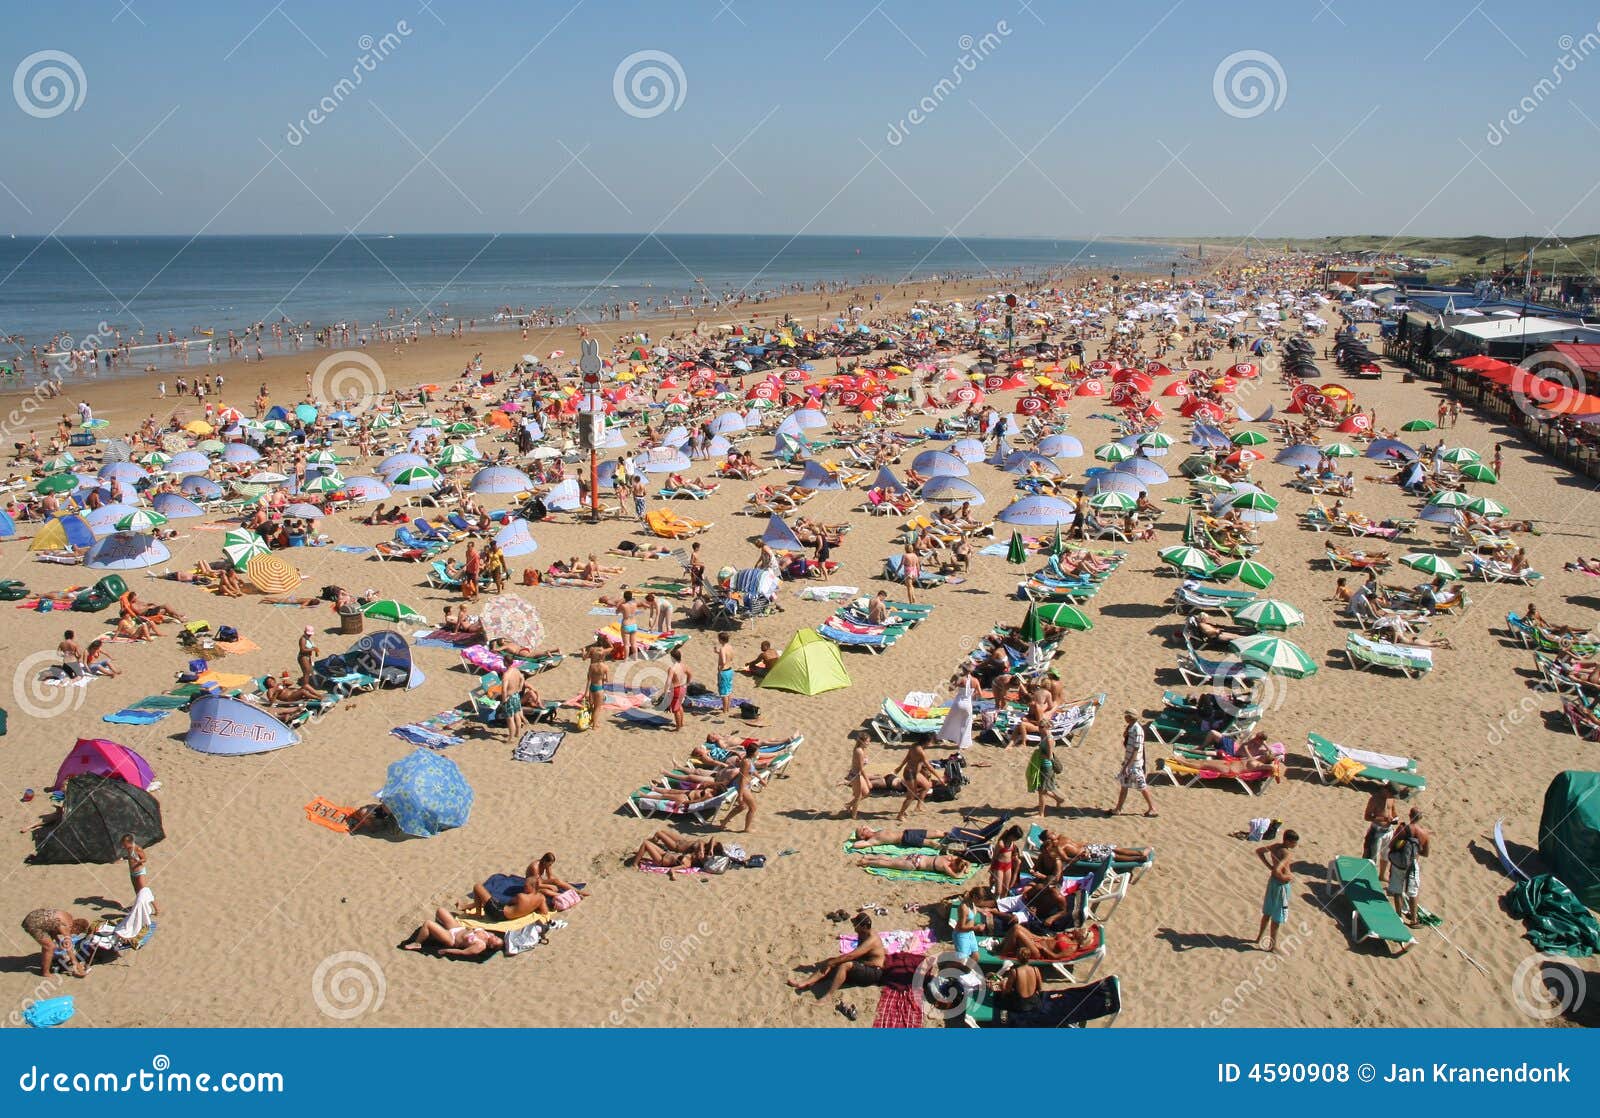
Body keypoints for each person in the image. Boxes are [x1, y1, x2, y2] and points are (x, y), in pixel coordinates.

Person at [787, 913, 885, 995]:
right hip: (864, 963)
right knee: (831, 961)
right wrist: (832, 961)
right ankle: (805, 982)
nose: (853, 925)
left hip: (873, 972)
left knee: (840, 964)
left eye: (856, 924)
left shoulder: (871, 939)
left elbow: (851, 955)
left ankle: (827, 995)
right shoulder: (862, 932)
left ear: (863, 927)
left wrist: (833, 962)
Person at [1255, 828, 1299, 952]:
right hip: (1281, 885)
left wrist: (1270, 866)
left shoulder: (1275, 847)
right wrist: (1287, 877)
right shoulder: (1287, 853)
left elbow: (1259, 851)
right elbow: (1277, 870)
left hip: (1272, 883)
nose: (1296, 845)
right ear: (1289, 842)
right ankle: (1272, 946)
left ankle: (1258, 938)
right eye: (1294, 842)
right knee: (1277, 917)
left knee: (1267, 912)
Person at [1386, 808, 1429, 926]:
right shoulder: (1424, 833)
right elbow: (1425, 853)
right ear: (1421, 818)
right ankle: (1414, 920)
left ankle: (1399, 916)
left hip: (1399, 862)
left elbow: (1391, 845)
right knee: (1413, 892)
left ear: (1409, 815)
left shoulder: (1402, 828)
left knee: (1397, 889)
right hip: (1413, 864)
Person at [400, 909, 503, 958]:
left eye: (496, 939)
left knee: (428, 923)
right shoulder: (489, 934)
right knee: (441, 911)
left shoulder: (480, 945)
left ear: (492, 945)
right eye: (497, 937)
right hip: (458, 928)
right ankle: (436, 932)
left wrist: (447, 950)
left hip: (452, 939)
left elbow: (464, 953)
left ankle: (417, 943)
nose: (495, 936)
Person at [1111, 709, 1157, 817]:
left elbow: (1136, 750)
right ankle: (1118, 808)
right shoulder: (1131, 728)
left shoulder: (1137, 730)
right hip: (1130, 762)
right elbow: (1128, 745)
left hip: (1134, 764)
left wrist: (1127, 765)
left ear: (1129, 717)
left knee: (1142, 786)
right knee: (1124, 785)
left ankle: (1152, 808)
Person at [21, 908, 89, 978]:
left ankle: (45, 965)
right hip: (33, 923)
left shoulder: (68, 917)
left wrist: (58, 941)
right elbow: (69, 947)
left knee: (48, 944)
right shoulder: (67, 927)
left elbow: (52, 928)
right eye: (76, 933)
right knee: (50, 947)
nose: (74, 934)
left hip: (35, 915)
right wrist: (76, 963)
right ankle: (45, 972)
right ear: (76, 928)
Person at [1026, 725, 1066, 819]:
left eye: (1041, 727)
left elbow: (1050, 756)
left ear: (1046, 728)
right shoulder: (1044, 736)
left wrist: (1039, 754)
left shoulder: (1049, 739)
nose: (1039, 729)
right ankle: (1058, 799)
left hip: (1047, 766)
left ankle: (1041, 814)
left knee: (1042, 792)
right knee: (1042, 789)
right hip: (1042, 765)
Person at [894, 734, 937, 822]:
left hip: (915, 773)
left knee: (926, 786)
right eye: (930, 742)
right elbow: (929, 766)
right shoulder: (920, 751)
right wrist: (939, 778)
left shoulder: (914, 746)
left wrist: (900, 767)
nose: (931, 743)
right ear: (926, 742)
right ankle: (900, 815)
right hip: (910, 774)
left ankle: (918, 806)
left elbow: (908, 757)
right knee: (911, 796)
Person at [1363, 782, 1400, 878]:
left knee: (1386, 855)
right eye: (1392, 794)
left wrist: (1395, 818)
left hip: (1389, 831)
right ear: (1386, 790)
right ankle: (1368, 876)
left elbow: (1393, 811)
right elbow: (1367, 816)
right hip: (1377, 832)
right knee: (1372, 857)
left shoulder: (1391, 798)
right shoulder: (1374, 799)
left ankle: (1382, 876)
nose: (1393, 797)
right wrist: (1383, 819)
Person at [721, 742, 759, 833]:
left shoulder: (749, 759)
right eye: (757, 751)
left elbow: (753, 771)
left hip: (745, 785)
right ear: (753, 752)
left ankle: (723, 822)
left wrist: (761, 779)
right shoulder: (746, 762)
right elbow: (742, 779)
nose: (758, 753)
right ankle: (747, 828)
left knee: (742, 806)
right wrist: (740, 795)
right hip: (742, 786)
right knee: (753, 808)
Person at [939, 666, 977, 751]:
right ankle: (962, 744)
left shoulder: (960, 679)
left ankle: (946, 736)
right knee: (966, 724)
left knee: (951, 720)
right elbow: (979, 693)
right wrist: (972, 694)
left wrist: (952, 679)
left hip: (958, 703)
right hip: (968, 704)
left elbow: (950, 689)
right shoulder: (975, 681)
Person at [501, 660, 525, 743]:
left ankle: (510, 739)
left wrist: (504, 700)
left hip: (509, 697)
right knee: (517, 714)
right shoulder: (516, 670)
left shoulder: (506, 675)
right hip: (516, 695)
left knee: (510, 719)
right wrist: (520, 688)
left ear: (506, 663)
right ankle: (518, 733)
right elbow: (522, 678)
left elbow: (504, 690)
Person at [119, 833, 148, 898]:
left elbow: (145, 859)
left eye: (124, 844)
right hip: (132, 873)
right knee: (137, 891)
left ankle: (156, 908)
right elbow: (130, 857)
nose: (123, 846)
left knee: (144, 890)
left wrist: (138, 861)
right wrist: (122, 859)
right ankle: (139, 904)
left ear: (129, 842)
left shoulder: (137, 848)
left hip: (140, 872)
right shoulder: (128, 848)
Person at [715, 631, 735, 718]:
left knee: (724, 692)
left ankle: (725, 710)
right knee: (729, 690)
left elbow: (723, 661)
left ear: (721, 640)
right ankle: (727, 708)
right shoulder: (729, 647)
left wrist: (720, 668)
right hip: (730, 670)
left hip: (724, 671)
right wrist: (718, 652)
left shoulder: (723, 649)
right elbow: (731, 657)